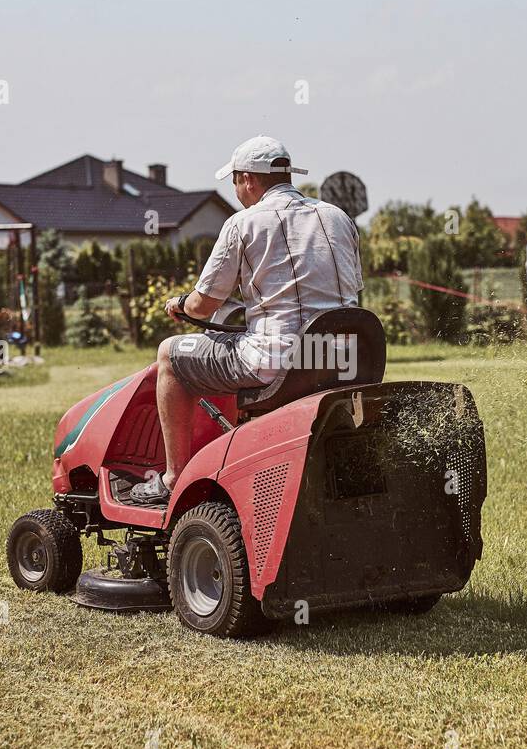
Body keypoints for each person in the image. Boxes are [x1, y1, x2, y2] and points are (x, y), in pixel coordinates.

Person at [130, 135, 363, 506]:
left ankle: (173, 478)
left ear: (248, 180)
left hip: (278, 362)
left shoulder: (243, 224)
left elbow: (204, 305)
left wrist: (180, 304)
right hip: (344, 360)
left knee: (170, 358)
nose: (236, 190)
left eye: (235, 181)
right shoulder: (338, 218)